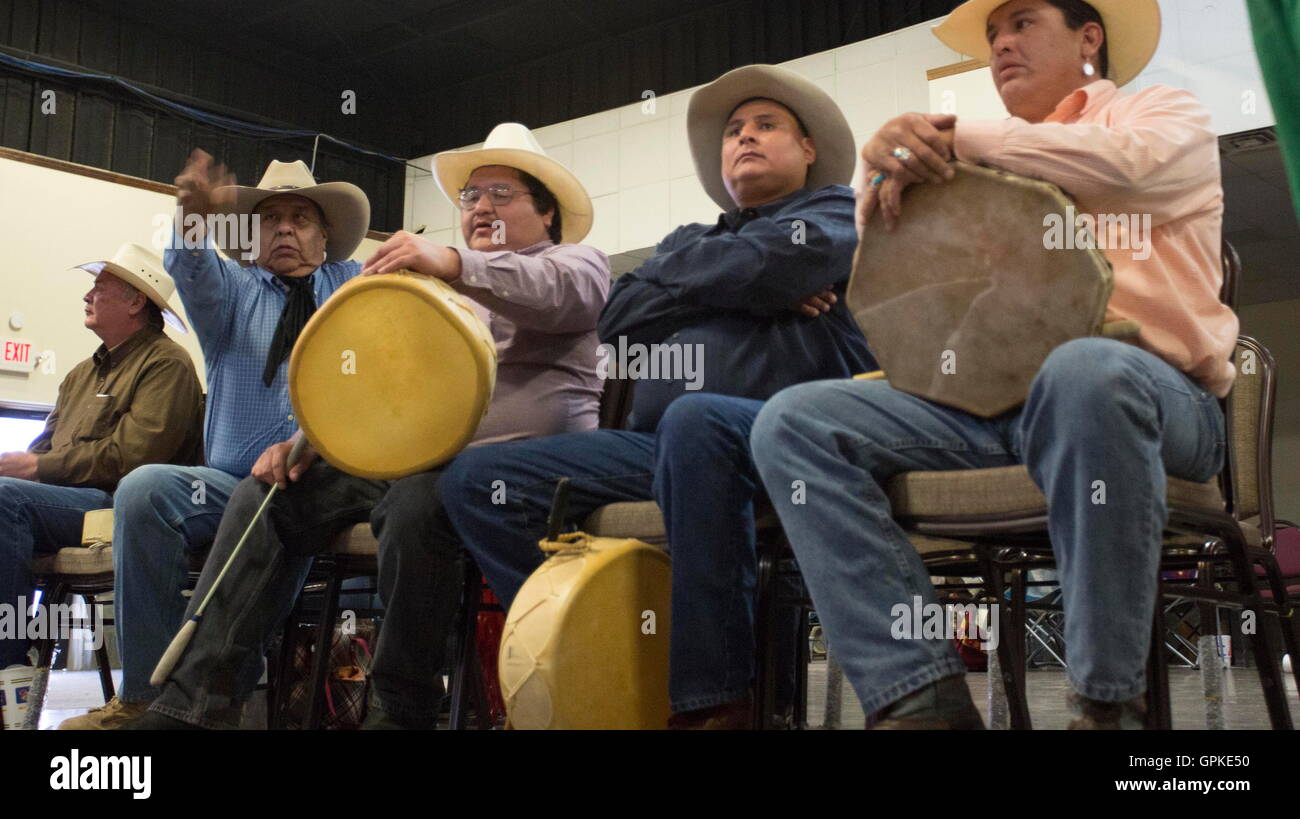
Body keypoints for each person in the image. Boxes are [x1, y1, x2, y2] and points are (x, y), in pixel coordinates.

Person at [750, 0, 1236, 729]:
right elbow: (890, 260)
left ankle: (1107, 707)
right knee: (792, 422)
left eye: (1023, 22)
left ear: (1088, 38)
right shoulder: (972, 159)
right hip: (992, 409)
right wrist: (879, 172)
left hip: (1157, 401)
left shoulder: (1165, 115)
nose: (1002, 43)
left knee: (1086, 371)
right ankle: (919, 696)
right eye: (993, 34)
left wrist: (955, 138)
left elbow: (1124, 171)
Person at [123, 123, 611, 730]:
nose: (481, 207)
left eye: (501, 195)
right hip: (420, 460)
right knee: (270, 491)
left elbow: (565, 293)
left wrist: (453, 263)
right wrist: (309, 444)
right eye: (471, 197)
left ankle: (397, 714)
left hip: (499, 473)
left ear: (548, 214)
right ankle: (195, 706)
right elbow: (379, 388)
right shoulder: (430, 286)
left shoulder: (574, 263)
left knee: (416, 504)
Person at [440, 65, 876, 729]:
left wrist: (694, 285)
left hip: (787, 438)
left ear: (809, 148)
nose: (744, 138)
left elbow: (773, 261)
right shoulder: (688, 240)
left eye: (766, 125)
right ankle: (595, 643)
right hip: (658, 448)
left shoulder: (832, 214)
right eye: (733, 131)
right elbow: (616, 311)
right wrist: (751, 286)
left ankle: (713, 702)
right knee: (475, 479)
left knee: (695, 419)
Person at [59, 156, 371, 729]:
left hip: (332, 481)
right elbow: (194, 269)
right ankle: (145, 695)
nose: (283, 229)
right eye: (269, 217)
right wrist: (193, 218)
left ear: (325, 235)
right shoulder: (233, 291)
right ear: (248, 236)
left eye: (300, 218)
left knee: (282, 504)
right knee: (145, 490)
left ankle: (212, 695)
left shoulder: (355, 287)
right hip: (229, 485)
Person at [1, 243, 202, 671]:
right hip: (68, 505)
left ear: (135, 302)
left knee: (5, 500)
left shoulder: (168, 365)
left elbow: (134, 457)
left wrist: (36, 467)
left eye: (99, 287)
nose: (87, 296)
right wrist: (26, 461)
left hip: (118, 506)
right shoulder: (79, 374)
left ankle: (9, 664)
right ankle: (17, 651)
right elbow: (45, 445)